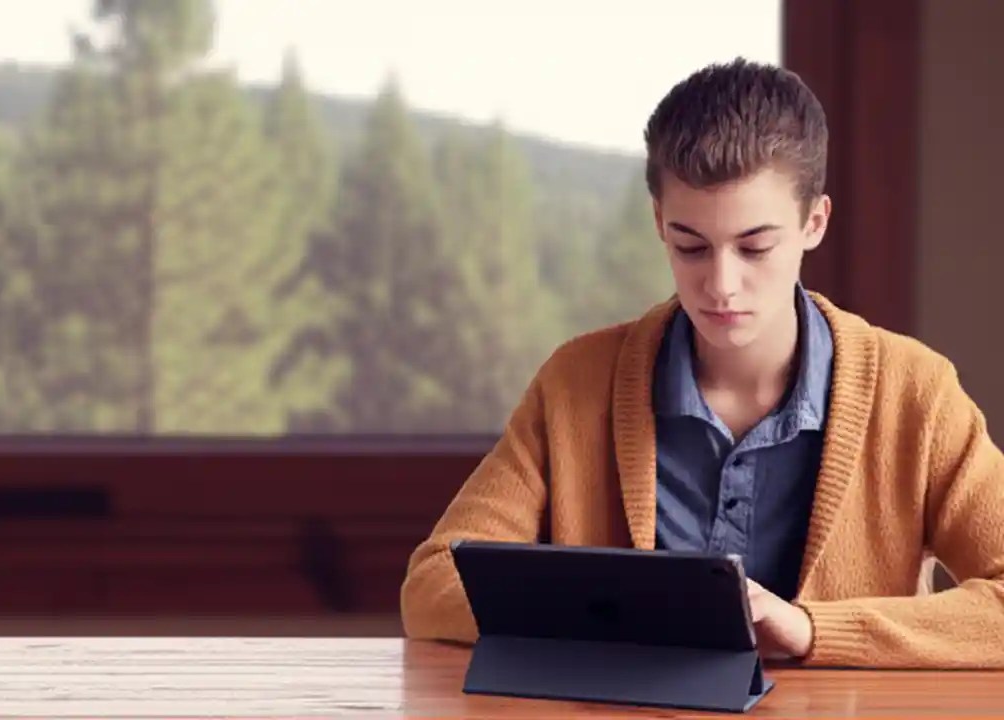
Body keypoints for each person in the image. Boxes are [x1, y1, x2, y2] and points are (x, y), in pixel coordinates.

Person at [399, 58, 1004, 668]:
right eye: (691, 246)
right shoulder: (576, 382)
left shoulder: (916, 394)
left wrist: (810, 630)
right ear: (660, 222)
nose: (721, 285)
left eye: (755, 247)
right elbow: (432, 585)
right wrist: (628, 614)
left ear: (814, 222)